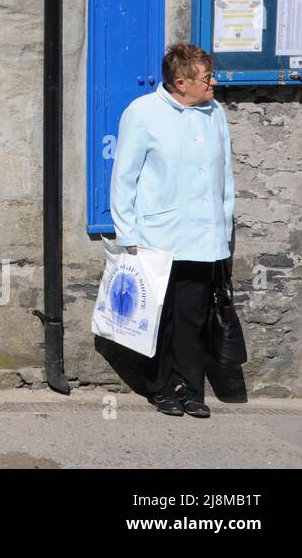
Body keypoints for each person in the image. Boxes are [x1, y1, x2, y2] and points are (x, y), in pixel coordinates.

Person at [110, 42, 235, 419]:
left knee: (193, 316)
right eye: (207, 77)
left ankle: (191, 388)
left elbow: (224, 175)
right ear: (181, 83)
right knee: (160, 317)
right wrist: (126, 234)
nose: (214, 82)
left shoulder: (215, 113)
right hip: (158, 236)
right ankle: (162, 387)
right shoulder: (143, 113)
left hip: (203, 236)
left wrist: (224, 224)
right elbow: (124, 177)